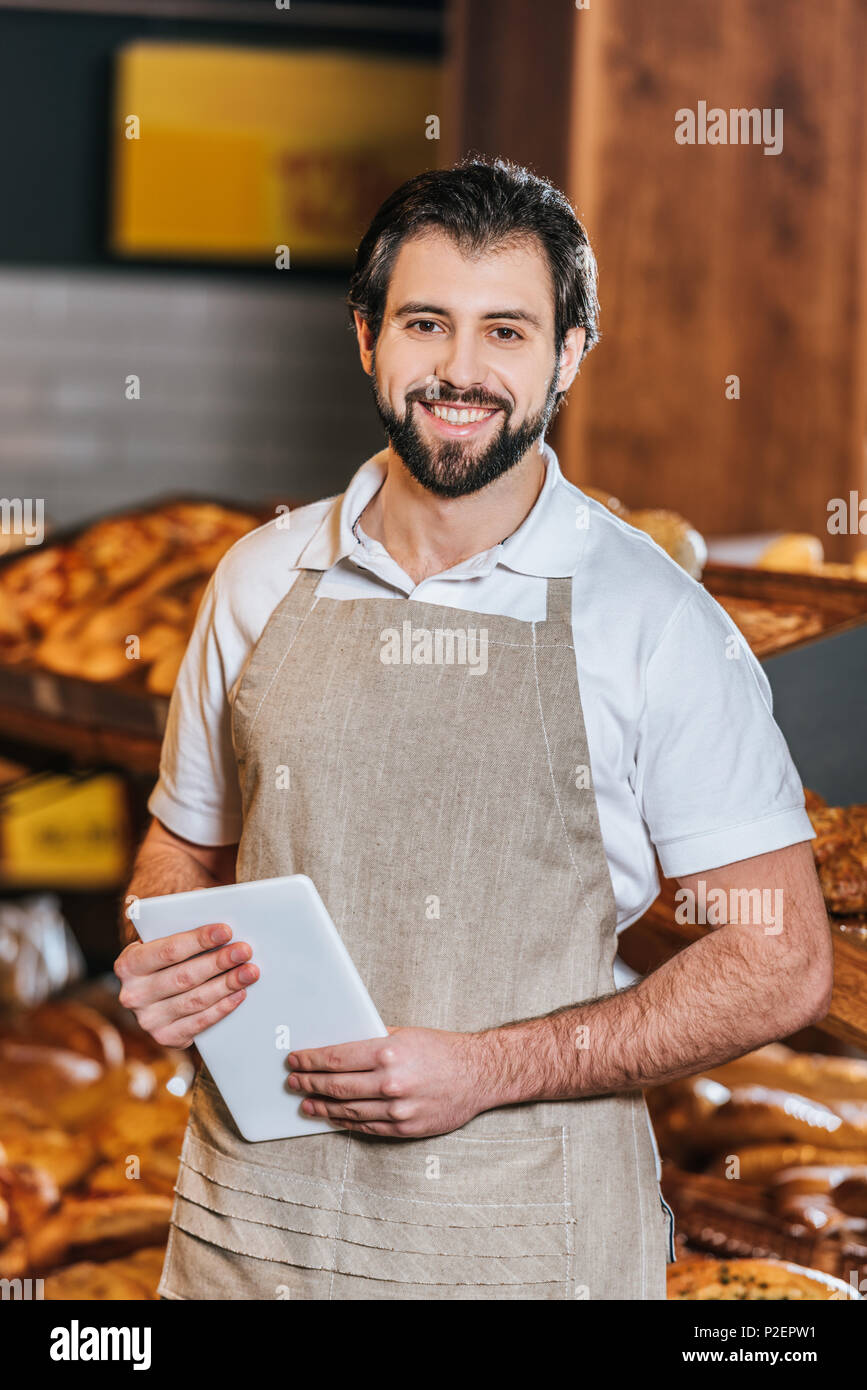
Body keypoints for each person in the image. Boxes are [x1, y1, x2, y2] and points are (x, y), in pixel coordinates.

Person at [115, 156, 832, 1301]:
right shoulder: (257, 579)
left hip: (520, 1245)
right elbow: (186, 849)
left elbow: (782, 959)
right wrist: (159, 953)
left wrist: (490, 1069)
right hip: (249, 1235)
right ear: (366, 337)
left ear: (571, 353)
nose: (460, 370)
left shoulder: (653, 620)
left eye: (507, 330)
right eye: (425, 323)